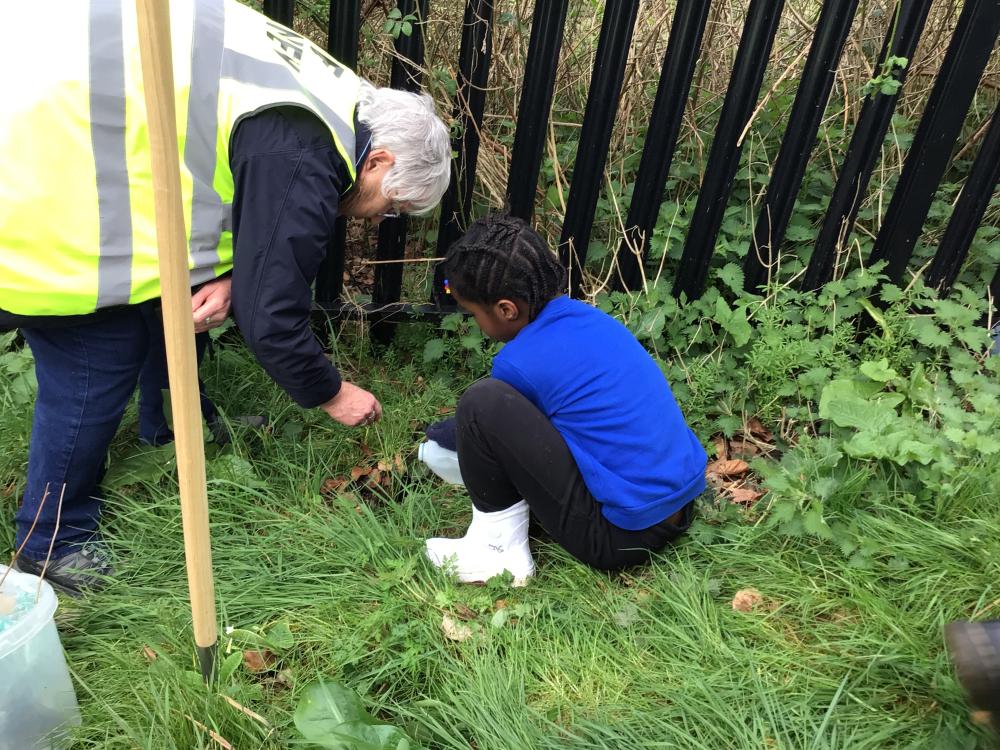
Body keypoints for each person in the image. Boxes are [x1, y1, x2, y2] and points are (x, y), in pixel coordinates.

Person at [0, 0, 451, 595]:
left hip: (65, 123)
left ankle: (172, 431)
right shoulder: (305, 150)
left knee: (161, 310)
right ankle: (52, 543)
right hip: (44, 182)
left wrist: (233, 277)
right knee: (94, 359)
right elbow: (272, 317)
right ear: (381, 161)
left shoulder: (333, 97)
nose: (379, 218)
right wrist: (331, 393)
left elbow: (242, 195)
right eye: (390, 205)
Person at [421, 216, 708, 585]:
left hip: (619, 539)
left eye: (475, 314)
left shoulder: (518, 363)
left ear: (507, 309)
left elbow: (489, 428)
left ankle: (496, 553)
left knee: (481, 404)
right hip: (678, 509)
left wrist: (441, 438)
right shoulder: (589, 319)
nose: (475, 324)